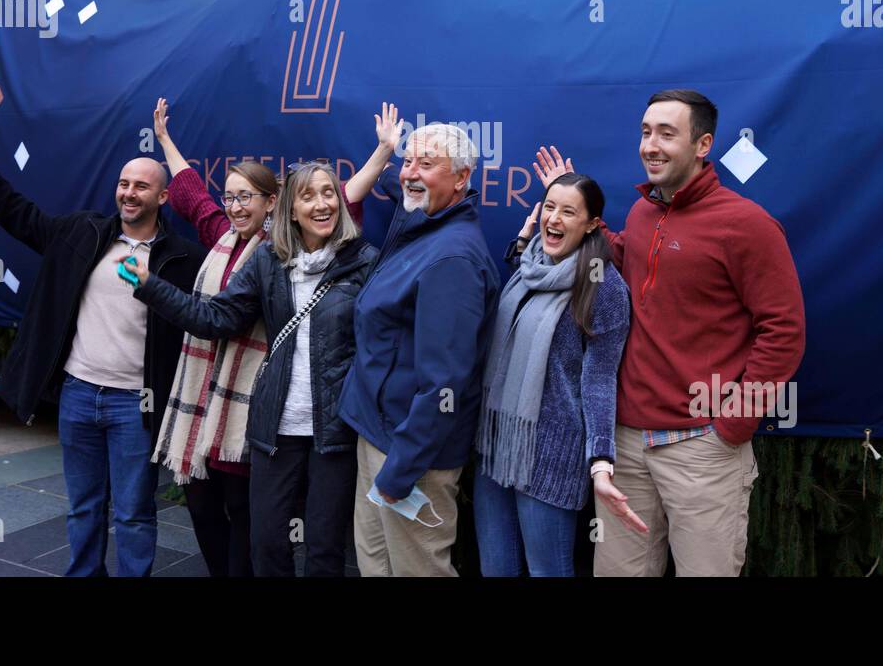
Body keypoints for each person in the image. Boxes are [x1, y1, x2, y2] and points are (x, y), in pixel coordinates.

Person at [535, 89, 806, 576]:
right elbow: (620, 254)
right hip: (626, 447)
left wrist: (731, 427)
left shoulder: (747, 225)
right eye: (645, 132)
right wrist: (567, 196)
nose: (650, 145)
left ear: (703, 145)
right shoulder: (643, 213)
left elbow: (783, 332)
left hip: (701, 449)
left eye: (666, 133)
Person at [147, 97, 394, 577]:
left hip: (333, 432)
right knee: (266, 546)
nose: (321, 203)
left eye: (328, 194)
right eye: (309, 196)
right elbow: (214, 315)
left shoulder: (362, 261)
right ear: (292, 208)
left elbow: (349, 195)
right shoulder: (266, 258)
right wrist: (148, 285)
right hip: (271, 429)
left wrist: (384, 152)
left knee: (324, 550)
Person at [0, 125, 204, 577]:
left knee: (133, 512)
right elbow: (22, 217)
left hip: (136, 407)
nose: (129, 193)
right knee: (84, 507)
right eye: (124, 184)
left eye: (141, 186)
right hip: (80, 395)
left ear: (162, 198)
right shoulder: (82, 233)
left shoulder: (182, 259)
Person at [339, 119, 501, 577]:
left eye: (427, 164)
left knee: (414, 570)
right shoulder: (424, 216)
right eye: (410, 160)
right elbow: (399, 182)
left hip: (410, 454)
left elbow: (444, 384)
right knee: (376, 566)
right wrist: (392, 154)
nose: (411, 172)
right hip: (379, 434)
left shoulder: (452, 259)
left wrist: (401, 470)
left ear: (463, 178)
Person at [474, 172, 640, 577]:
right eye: (550, 206)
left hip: (551, 454)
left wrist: (601, 461)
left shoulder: (604, 287)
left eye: (569, 212)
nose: (555, 218)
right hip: (496, 443)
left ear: (593, 225)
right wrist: (521, 242)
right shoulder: (529, 265)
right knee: (496, 569)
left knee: (549, 570)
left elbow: (600, 378)